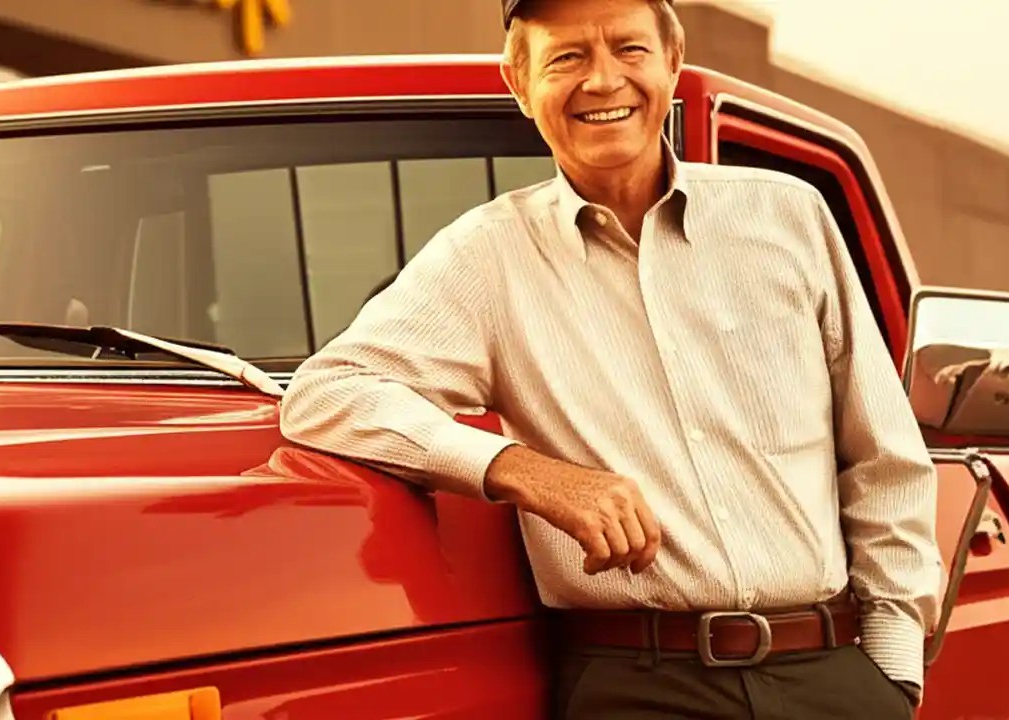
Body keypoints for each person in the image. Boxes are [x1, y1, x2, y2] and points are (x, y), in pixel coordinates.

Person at [279, 0, 943, 717]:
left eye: (629, 49)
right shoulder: (487, 256)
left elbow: (883, 456)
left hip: (830, 672)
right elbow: (329, 391)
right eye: (566, 57)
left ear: (672, 58)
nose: (603, 81)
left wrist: (892, 674)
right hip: (637, 683)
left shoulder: (789, 216)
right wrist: (524, 472)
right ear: (518, 80)